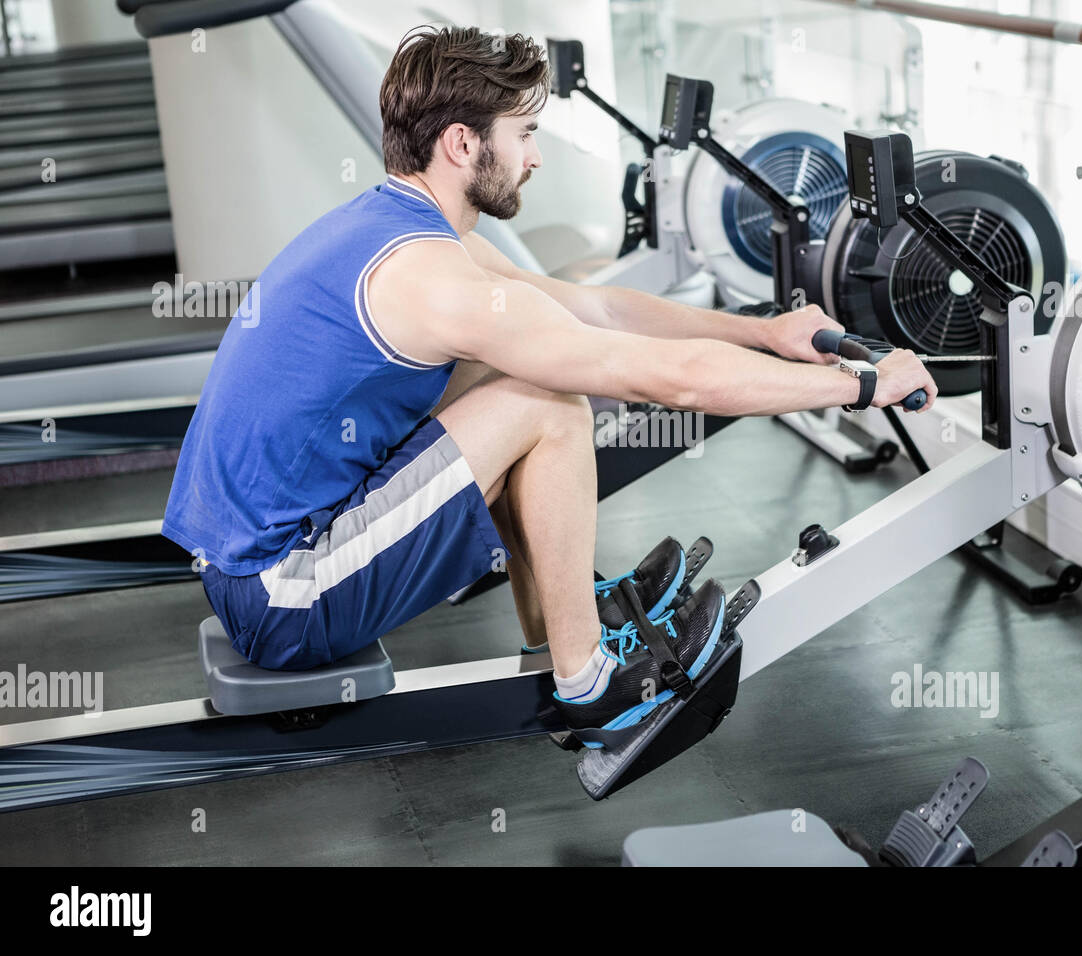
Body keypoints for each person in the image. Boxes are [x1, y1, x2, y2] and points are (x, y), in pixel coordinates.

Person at [162, 25, 936, 744]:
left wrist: (764, 330)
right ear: (464, 144)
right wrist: (861, 385)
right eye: (523, 135)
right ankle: (588, 679)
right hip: (284, 596)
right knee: (547, 399)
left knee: (515, 371)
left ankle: (567, 632)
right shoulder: (434, 278)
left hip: (256, 568)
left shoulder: (402, 226)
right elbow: (679, 382)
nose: (534, 156)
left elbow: (592, 306)